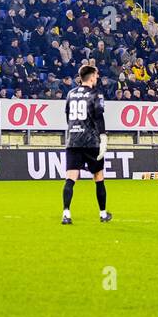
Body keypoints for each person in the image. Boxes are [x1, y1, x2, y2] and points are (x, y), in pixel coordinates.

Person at [62, 64, 111, 224]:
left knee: (71, 178)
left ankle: (66, 213)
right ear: (91, 77)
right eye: (96, 76)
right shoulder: (96, 94)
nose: (97, 78)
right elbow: (99, 117)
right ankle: (103, 213)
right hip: (91, 141)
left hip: (73, 141)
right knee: (98, 177)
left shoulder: (70, 93)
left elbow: (68, 116)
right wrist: (103, 137)